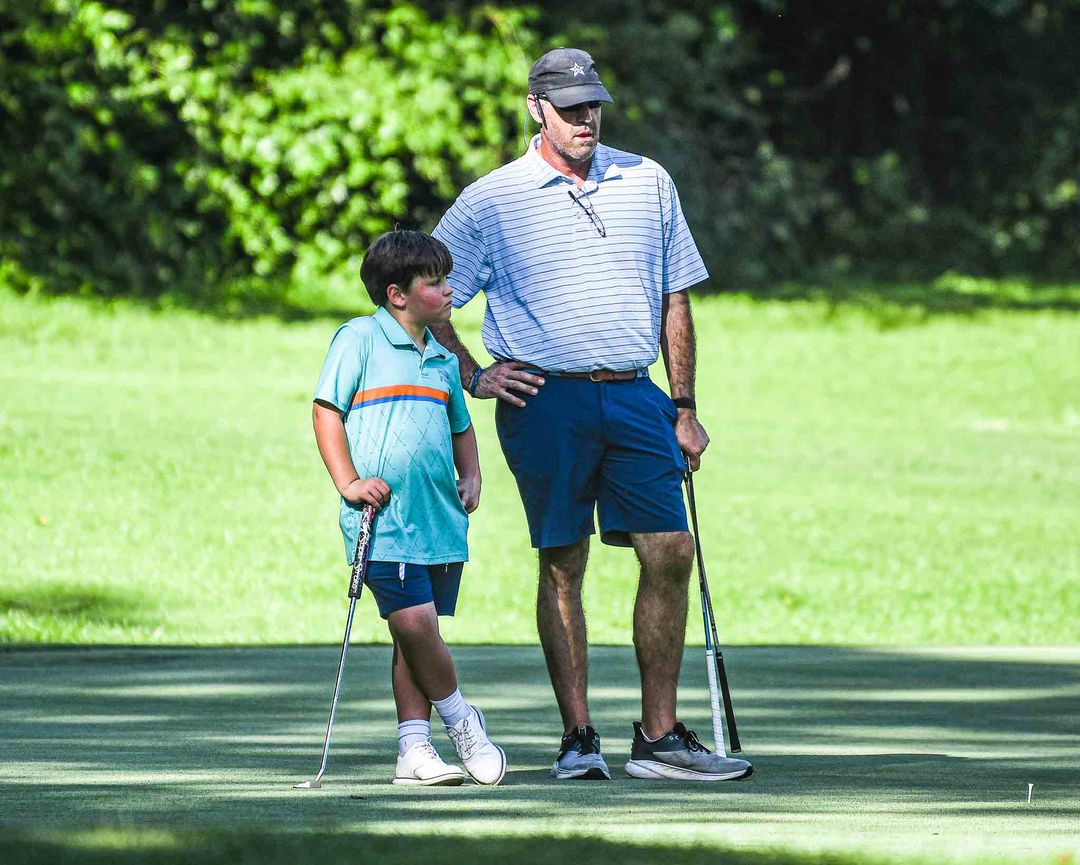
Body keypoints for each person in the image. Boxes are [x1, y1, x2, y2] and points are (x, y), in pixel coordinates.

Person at [431, 48, 752, 782]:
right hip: (545, 399)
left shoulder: (648, 180)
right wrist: (476, 374)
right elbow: (427, 289)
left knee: (670, 547)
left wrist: (685, 404)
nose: (586, 120)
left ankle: (660, 736)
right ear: (535, 109)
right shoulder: (493, 199)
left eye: (594, 106)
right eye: (570, 108)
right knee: (563, 560)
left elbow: (676, 296)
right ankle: (579, 736)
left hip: (637, 393)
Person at [312, 230, 506, 786]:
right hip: (385, 522)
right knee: (417, 624)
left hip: (440, 519)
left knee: (413, 638)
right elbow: (327, 411)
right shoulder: (359, 340)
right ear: (397, 294)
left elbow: (461, 428)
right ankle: (464, 722)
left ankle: (413, 751)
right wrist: (348, 481)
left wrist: (471, 476)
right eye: (437, 282)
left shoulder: (444, 357)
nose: (450, 291)